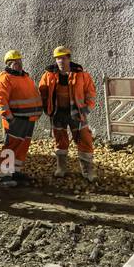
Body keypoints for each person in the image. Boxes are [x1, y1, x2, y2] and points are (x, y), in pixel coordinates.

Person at [39, 45, 98, 181]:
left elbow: (91, 93)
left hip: (77, 114)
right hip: (58, 114)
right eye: (58, 58)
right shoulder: (48, 75)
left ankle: (87, 170)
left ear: (69, 59)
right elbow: (42, 93)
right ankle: (61, 167)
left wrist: (86, 109)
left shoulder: (81, 74)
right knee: (60, 140)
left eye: (63, 58)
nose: (60, 61)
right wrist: (47, 109)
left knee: (84, 139)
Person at [0, 50, 43, 186]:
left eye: (20, 61)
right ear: (9, 64)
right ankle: (4, 175)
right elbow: (1, 102)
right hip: (16, 120)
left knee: (22, 146)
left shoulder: (25, 77)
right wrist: (10, 119)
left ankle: (15, 171)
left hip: (29, 119)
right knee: (11, 146)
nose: (19, 64)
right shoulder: (5, 79)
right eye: (15, 62)